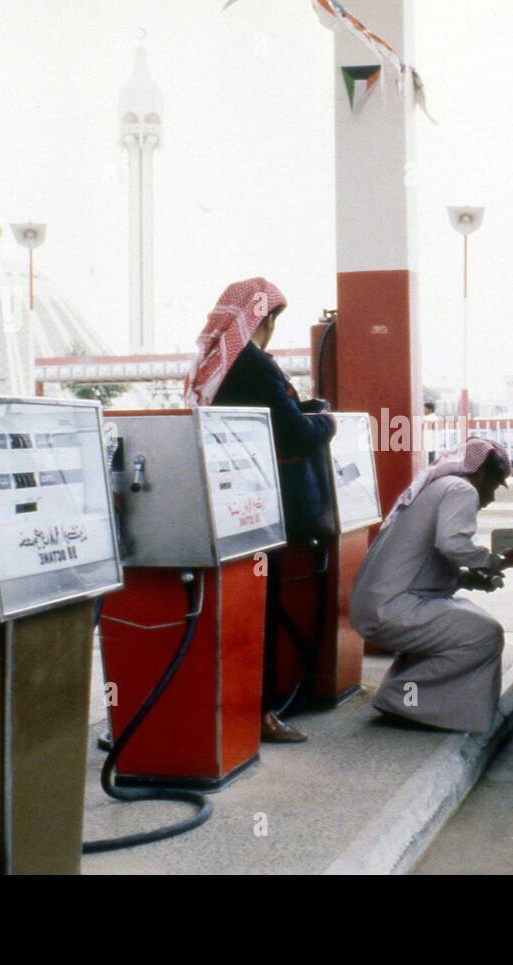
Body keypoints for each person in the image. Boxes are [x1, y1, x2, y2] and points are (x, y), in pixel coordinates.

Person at [183, 277, 336, 744]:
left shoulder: (213, 363)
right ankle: (261, 713)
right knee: (259, 612)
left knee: (229, 612)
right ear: (263, 318)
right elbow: (292, 433)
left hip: (223, 503)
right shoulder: (256, 364)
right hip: (264, 506)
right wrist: (326, 421)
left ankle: (222, 709)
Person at [350, 437, 511, 732]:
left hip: (380, 606)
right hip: (390, 610)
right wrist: (494, 561)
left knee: (467, 617)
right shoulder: (461, 488)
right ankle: (402, 700)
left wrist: (467, 579)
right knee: (484, 635)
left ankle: (408, 701)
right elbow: (452, 544)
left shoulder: (439, 486)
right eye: (495, 484)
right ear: (478, 473)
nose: (492, 497)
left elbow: (424, 563)